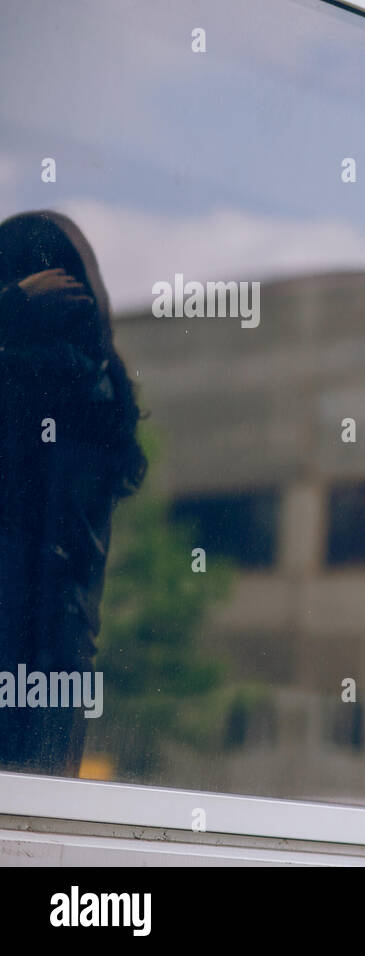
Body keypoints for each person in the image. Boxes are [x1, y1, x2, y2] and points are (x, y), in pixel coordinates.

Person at [0, 210, 148, 775]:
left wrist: (10, 309)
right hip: (60, 667)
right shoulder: (97, 394)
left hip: (51, 665)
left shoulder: (75, 396)